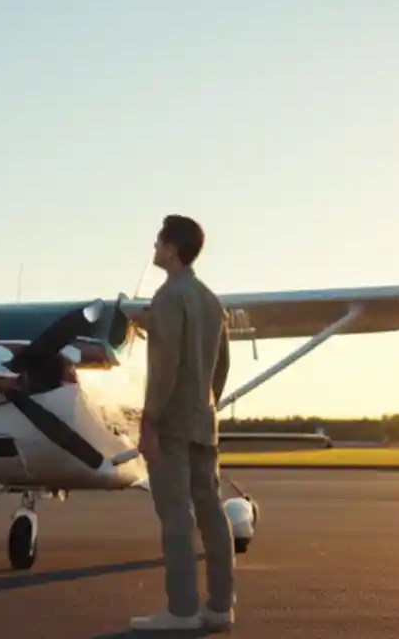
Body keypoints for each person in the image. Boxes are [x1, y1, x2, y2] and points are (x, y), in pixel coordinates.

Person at [130, 214, 235, 632]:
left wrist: (149, 422)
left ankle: (182, 610)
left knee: (175, 515)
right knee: (211, 512)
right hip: (203, 422)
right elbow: (222, 367)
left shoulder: (167, 298)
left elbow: (164, 366)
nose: (155, 247)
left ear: (172, 250)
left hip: (172, 423)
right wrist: (207, 405)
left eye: (159, 242)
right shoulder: (211, 301)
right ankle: (220, 606)